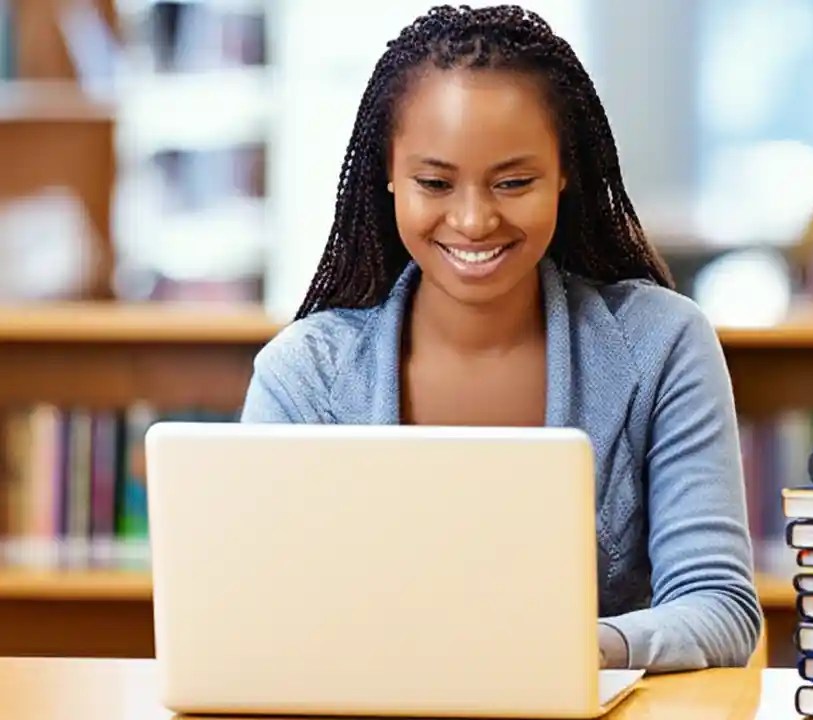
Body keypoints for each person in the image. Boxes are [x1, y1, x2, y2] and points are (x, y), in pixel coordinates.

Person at [238, 4, 763, 672]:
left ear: (565, 171)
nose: (474, 220)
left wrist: (566, 653)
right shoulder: (303, 375)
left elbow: (720, 608)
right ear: (388, 173)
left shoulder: (662, 346)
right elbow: (259, 613)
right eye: (435, 182)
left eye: (514, 183)